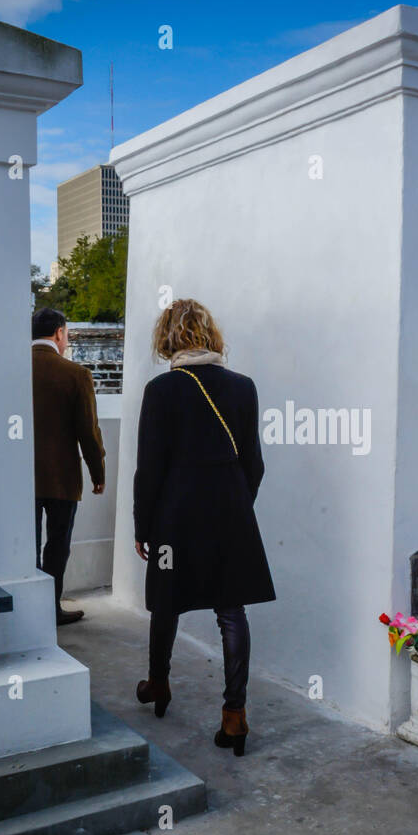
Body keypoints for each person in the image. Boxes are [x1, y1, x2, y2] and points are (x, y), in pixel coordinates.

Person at [133, 299, 275, 756]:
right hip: (230, 515)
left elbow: (149, 469)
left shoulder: (161, 390)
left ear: (168, 338)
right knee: (231, 611)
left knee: (167, 603)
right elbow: (253, 464)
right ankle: (234, 716)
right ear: (210, 334)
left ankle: (158, 684)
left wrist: (144, 526)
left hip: (175, 518)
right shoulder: (243, 387)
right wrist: (234, 507)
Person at [31, 307, 106, 626]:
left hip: (20, 479)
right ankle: (50, 609)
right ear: (59, 333)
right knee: (57, 545)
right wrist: (97, 473)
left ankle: (26, 610)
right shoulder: (76, 374)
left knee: (26, 546)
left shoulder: (12, 370)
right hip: (62, 479)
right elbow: (87, 431)